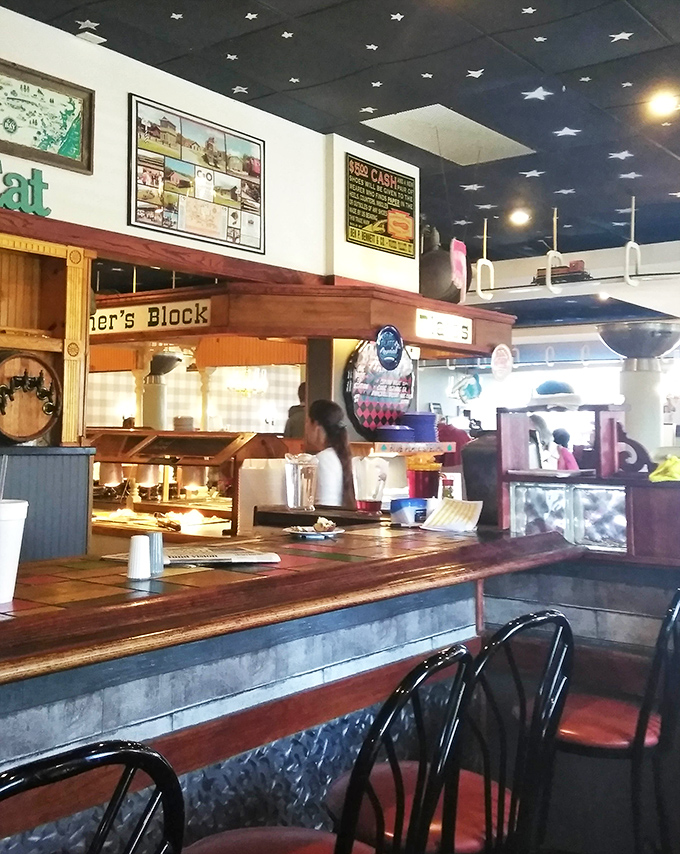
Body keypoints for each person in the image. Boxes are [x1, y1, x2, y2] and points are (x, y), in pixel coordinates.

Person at [305, 399, 356, 508]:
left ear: (316, 425)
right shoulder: (336, 455)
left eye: (307, 422)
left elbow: (323, 508)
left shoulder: (321, 460)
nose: (305, 427)